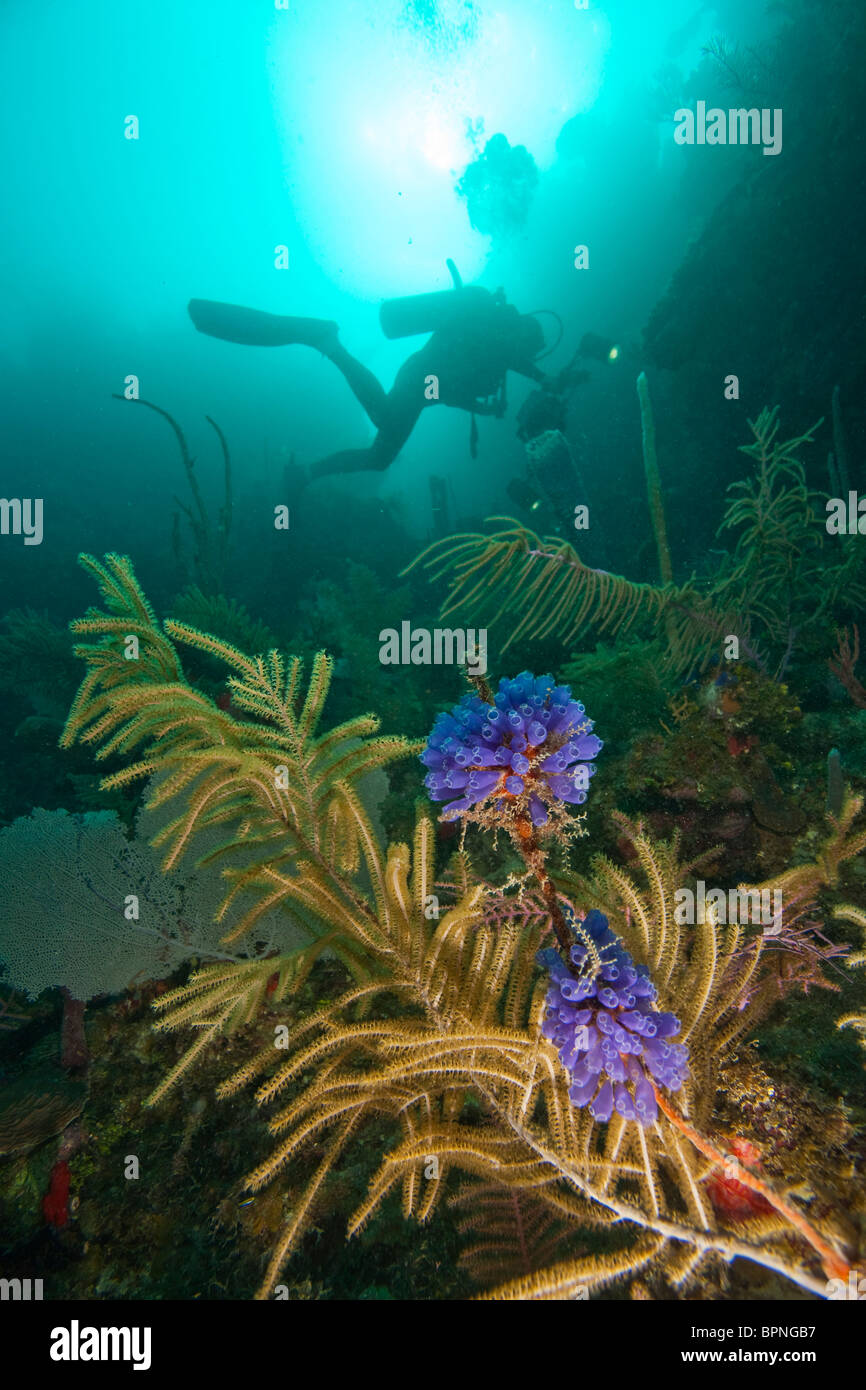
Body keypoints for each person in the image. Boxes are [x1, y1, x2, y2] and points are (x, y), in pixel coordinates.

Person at [187, 284, 557, 478]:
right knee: (382, 416)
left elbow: (460, 388)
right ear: (522, 335)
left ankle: (306, 473)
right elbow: (459, 381)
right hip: (419, 377)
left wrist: (483, 404)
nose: (525, 357)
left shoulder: (498, 349)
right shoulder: (494, 340)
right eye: (528, 348)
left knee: (380, 458)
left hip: (423, 381)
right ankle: (327, 342)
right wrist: (484, 401)